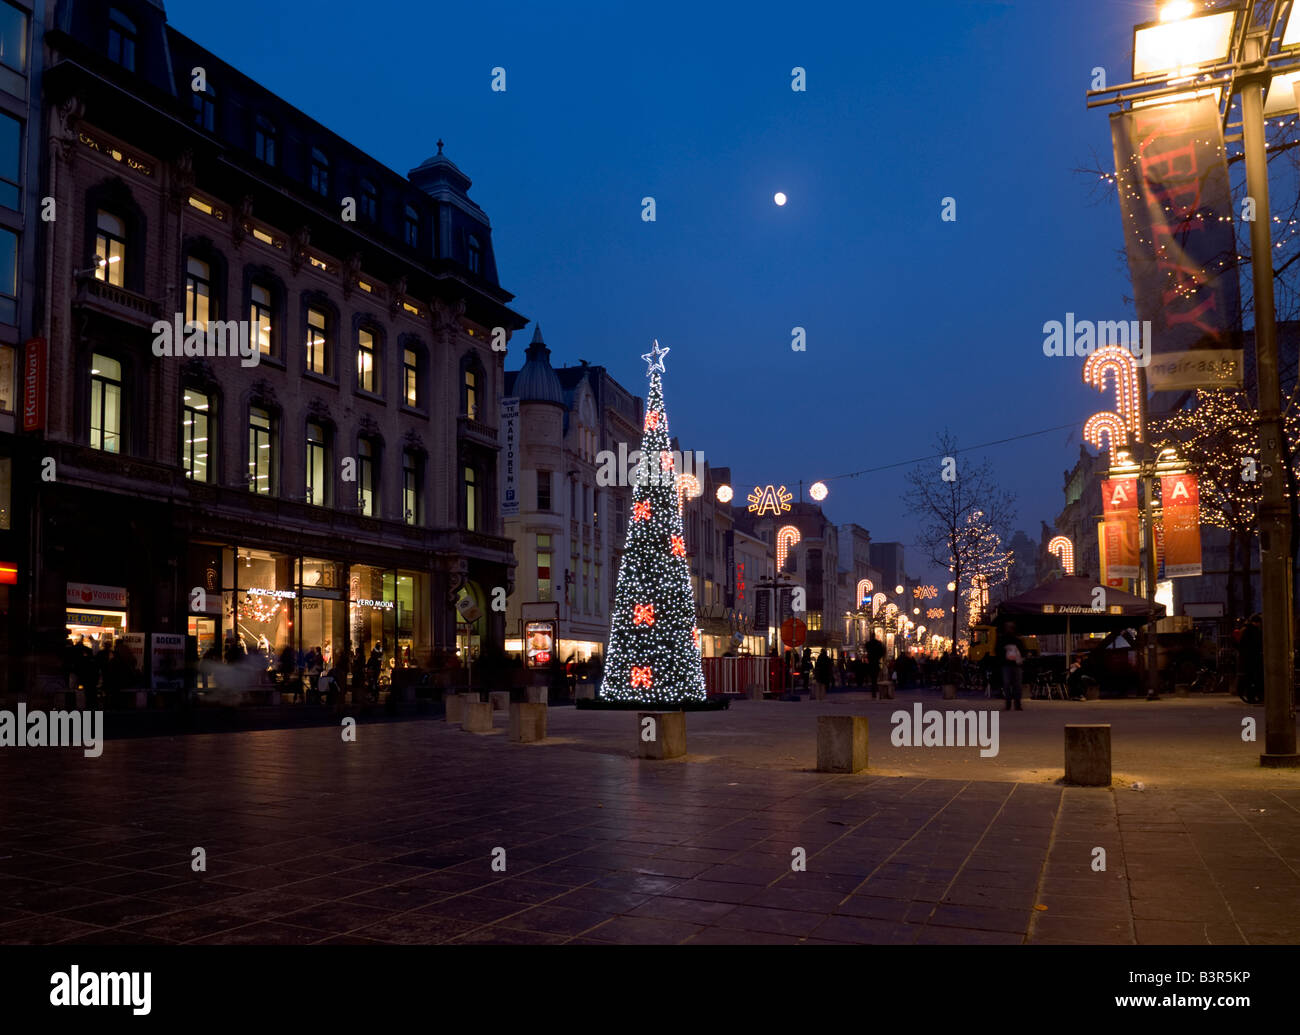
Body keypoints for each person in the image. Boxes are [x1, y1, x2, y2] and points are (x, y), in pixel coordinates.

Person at [1000, 620, 1025, 711]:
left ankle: (1015, 704)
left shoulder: (1015, 639)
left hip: (1013, 664)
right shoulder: (1005, 639)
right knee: (1010, 684)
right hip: (1008, 664)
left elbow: (1022, 650)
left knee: (1015, 685)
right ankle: (1011, 703)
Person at [1239, 614, 1264, 704]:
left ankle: (1250, 696)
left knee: (1249, 678)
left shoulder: (1245, 630)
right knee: (1255, 678)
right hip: (1254, 658)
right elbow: (1257, 644)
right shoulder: (1254, 631)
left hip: (1247, 658)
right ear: (1257, 623)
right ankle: (1254, 696)